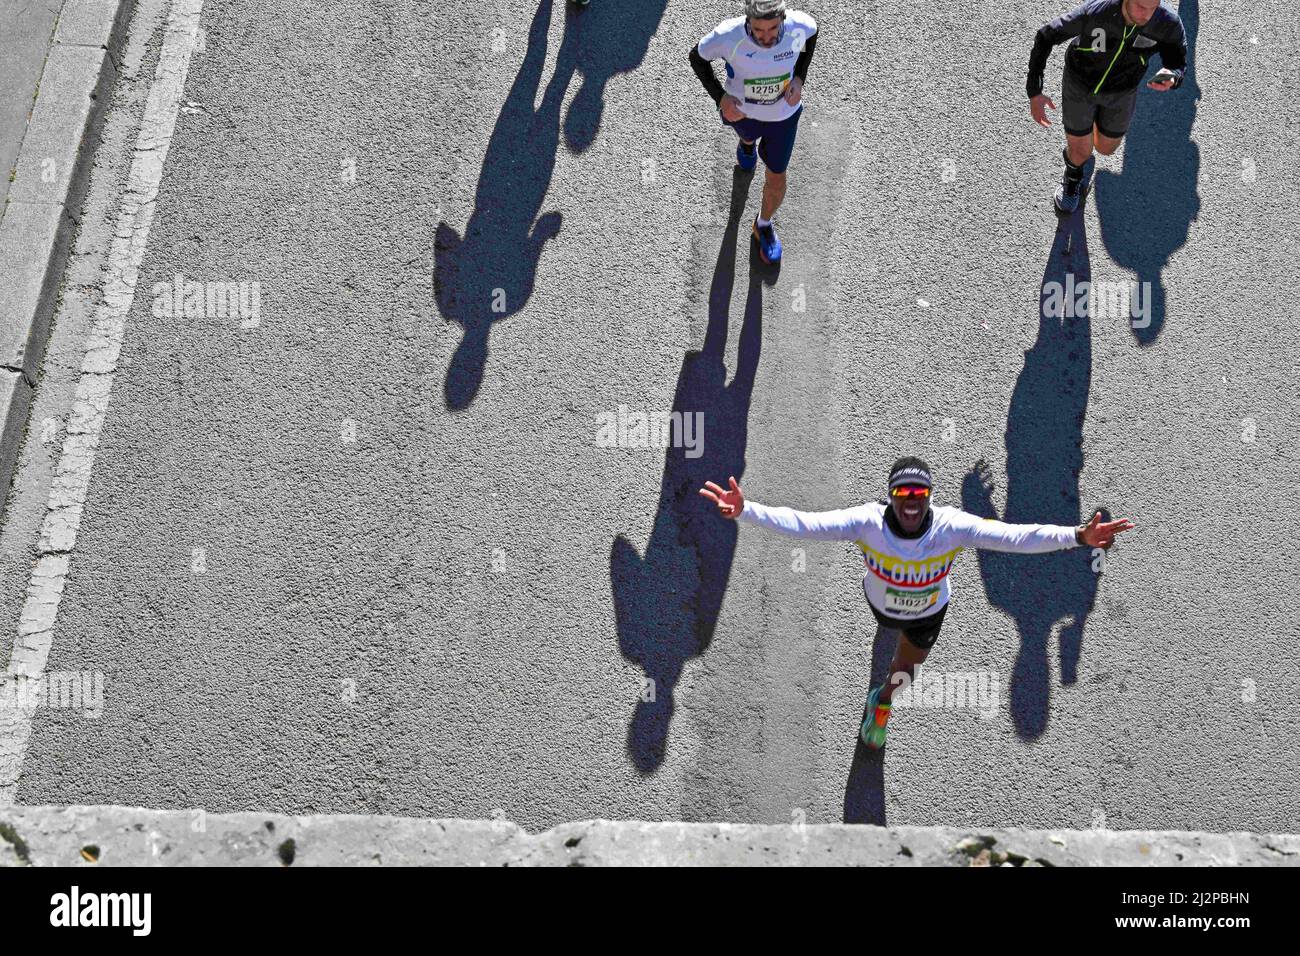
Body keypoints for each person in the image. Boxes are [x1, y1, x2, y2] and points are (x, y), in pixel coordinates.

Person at [699, 458, 1135, 749]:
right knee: (887, 635)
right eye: (903, 495)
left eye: (919, 496)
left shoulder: (951, 527)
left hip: (928, 614)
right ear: (890, 497)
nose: (911, 503)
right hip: (881, 606)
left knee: (903, 672)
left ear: (930, 498)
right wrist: (746, 510)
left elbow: (1016, 537)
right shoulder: (865, 523)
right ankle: (885, 658)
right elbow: (804, 525)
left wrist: (1077, 536)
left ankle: (881, 702)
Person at [1027, 0, 1188, 214]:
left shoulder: (1167, 22)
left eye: (1152, 8)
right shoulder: (1094, 13)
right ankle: (1073, 175)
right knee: (1081, 151)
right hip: (1080, 86)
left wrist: (1173, 77)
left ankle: (1087, 133)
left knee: (1106, 148)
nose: (1146, 15)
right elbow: (1046, 36)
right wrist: (1035, 91)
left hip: (1121, 93)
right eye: (1141, 6)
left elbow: (1177, 60)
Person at [690, 0, 819, 263]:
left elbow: (812, 35)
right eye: (758, 30)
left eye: (773, 29)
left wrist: (799, 78)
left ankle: (763, 225)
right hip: (743, 112)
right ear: (748, 21)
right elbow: (697, 57)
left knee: (777, 177)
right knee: (747, 136)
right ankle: (747, 144)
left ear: (783, 19)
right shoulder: (728, 35)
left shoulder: (798, 26)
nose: (766, 37)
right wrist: (720, 98)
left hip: (783, 117)